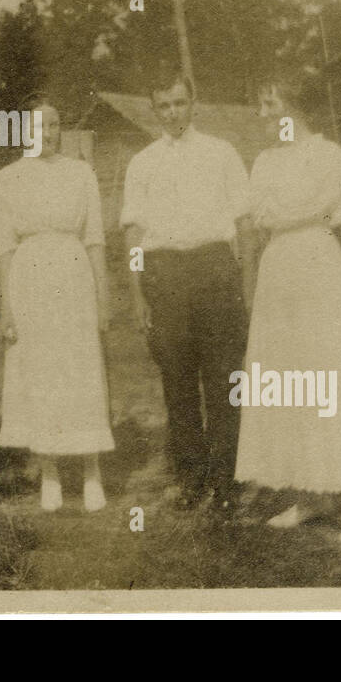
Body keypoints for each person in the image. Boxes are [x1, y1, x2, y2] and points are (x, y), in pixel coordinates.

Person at [235, 82, 341, 542]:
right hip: (277, 271)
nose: (263, 112)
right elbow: (254, 224)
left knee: (331, 372)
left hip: (319, 270)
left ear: (296, 107)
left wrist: (314, 238)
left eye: (271, 102)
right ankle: (309, 492)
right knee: (290, 375)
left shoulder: (328, 156)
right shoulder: (263, 163)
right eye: (260, 103)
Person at [122, 70, 253, 511]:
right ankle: (190, 478)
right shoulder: (143, 162)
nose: (173, 112)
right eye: (164, 105)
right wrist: (139, 294)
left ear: (192, 102)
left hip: (215, 271)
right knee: (176, 381)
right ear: (154, 109)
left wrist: (243, 281)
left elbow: (243, 223)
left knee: (223, 379)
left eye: (180, 103)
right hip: (165, 275)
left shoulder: (222, 153)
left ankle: (227, 480)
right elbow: (133, 232)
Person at [0, 98, 114, 512]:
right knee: (40, 371)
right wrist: (7, 305)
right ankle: (49, 472)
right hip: (29, 280)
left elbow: (95, 239)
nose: (47, 133)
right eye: (38, 126)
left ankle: (91, 470)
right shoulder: (8, 178)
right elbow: (5, 248)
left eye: (54, 124)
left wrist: (103, 295)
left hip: (74, 275)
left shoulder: (82, 173)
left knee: (80, 370)